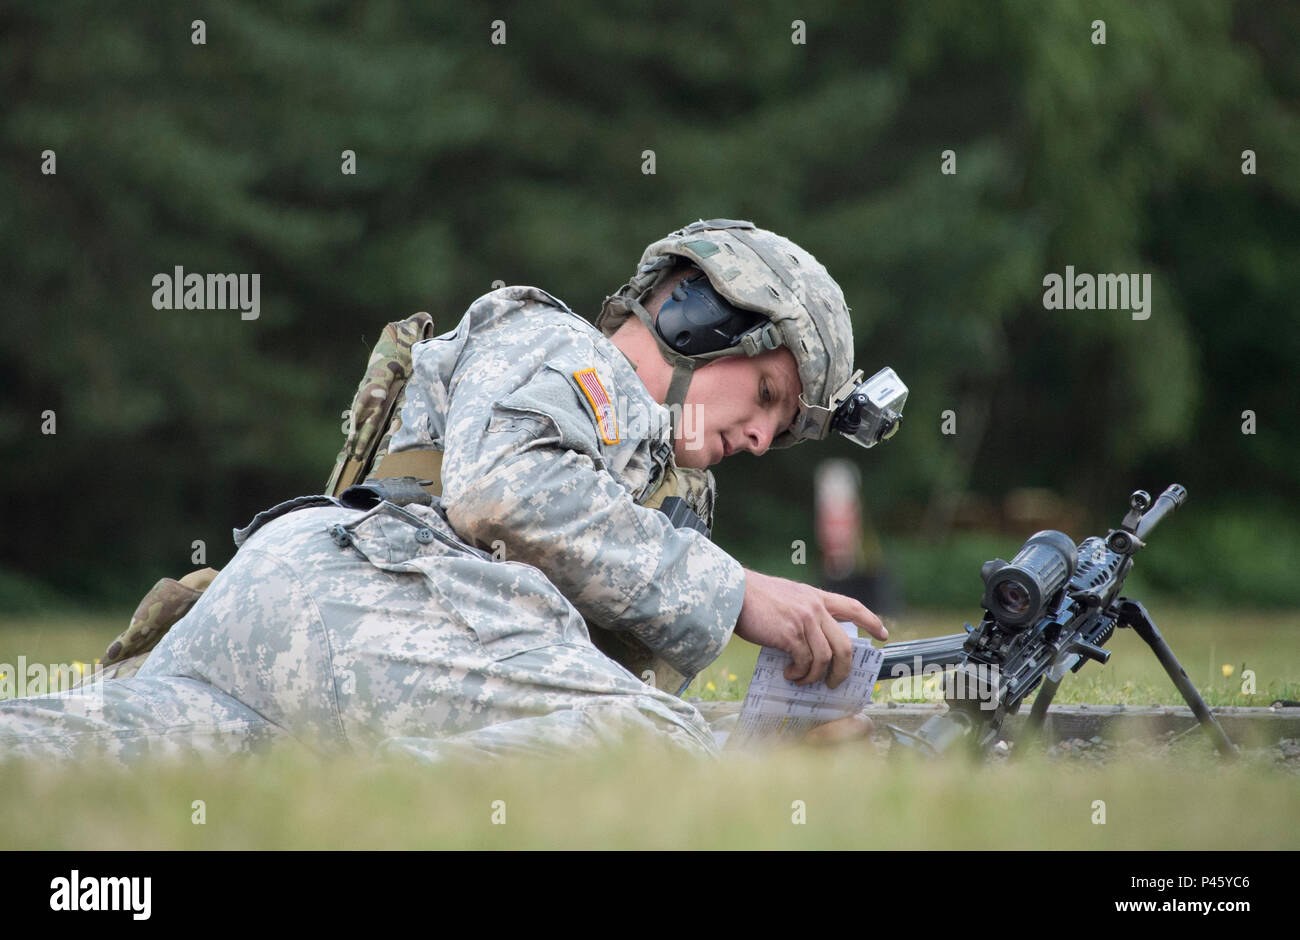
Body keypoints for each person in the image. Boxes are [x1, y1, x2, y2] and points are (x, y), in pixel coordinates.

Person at [0, 219, 896, 765]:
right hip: (386, 596)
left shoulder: (657, 483)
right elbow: (503, 489)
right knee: (655, 747)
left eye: (778, 436)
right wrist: (735, 593)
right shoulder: (570, 350)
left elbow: (557, 686)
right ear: (697, 313)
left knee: (76, 753)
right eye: (768, 397)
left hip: (303, 627)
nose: (756, 438)